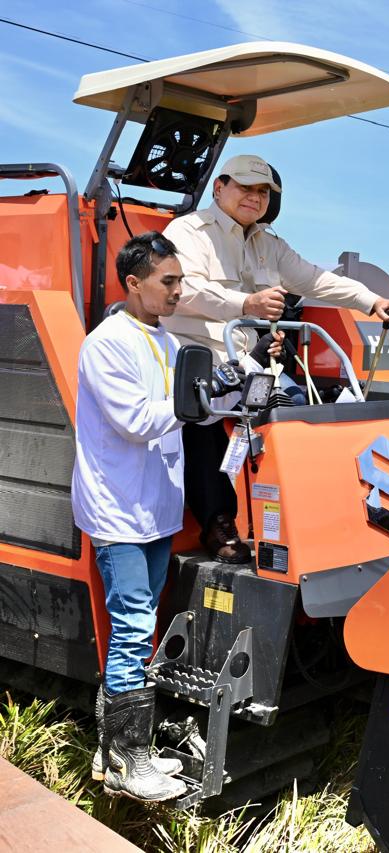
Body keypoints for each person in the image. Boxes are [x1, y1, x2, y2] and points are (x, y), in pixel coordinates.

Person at [163, 155, 389, 563]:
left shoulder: (268, 244)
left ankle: (304, 514)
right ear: (219, 187)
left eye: (263, 192)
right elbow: (181, 290)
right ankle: (218, 520)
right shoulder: (187, 232)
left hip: (250, 358)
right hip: (195, 354)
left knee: (293, 405)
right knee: (204, 419)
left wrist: (372, 300)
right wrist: (246, 302)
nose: (254, 198)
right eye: (245, 187)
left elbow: (315, 279)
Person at [70, 233, 191, 801]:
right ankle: (128, 760)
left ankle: (114, 750)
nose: (177, 290)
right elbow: (136, 421)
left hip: (157, 507)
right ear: (134, 282)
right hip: (119, 509)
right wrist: (197, 401)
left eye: (179, 279)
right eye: (167, 281)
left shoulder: (166, 341)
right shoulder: (107, 343)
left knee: (139, 629)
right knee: (132, 629)